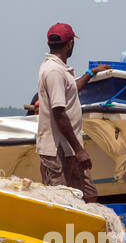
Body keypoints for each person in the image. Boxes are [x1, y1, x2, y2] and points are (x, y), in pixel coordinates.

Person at [36, 23, 112, 200]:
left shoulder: (59, 69)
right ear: (70, 44)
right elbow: (59, 113)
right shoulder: (53, 71)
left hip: (70, 148)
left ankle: (79, 228)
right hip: (57, 150)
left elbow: (70, 90)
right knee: (60, 201)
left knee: (88, 195)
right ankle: (58, 228)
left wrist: (90, 73)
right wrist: (80, 150)